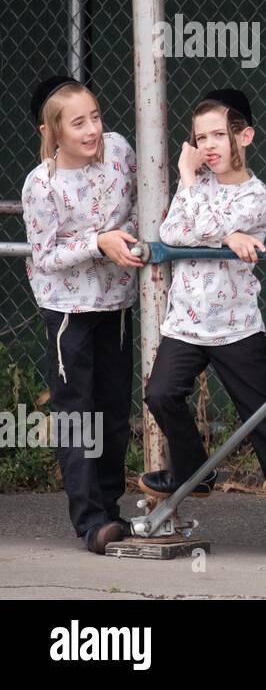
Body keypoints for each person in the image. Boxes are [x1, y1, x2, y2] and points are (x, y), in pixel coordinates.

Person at [140, 89, 266, 563]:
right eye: (199, 137)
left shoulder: (257, 197)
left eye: (219, 135)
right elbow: (171, 234)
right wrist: (218, 226)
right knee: (160, 394)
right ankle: (195, 471)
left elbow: (204, 226)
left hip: (236, 326)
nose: (208, 146)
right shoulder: (195, 184)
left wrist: (215, 221)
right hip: (186, 322)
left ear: (243, 136)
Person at [21, 76, 143, 554]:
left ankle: (111, 511)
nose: (92, 129)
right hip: (68, 310)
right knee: (78, 414)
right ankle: (90, 522)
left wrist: (127, 236)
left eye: (95, 116)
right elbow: (45, 254)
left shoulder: (118, 151)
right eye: (78, 123)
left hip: (116, 305)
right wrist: (99, 243)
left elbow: (140, 205)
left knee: (114, 413)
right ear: (52, 132)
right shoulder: (42, 185)